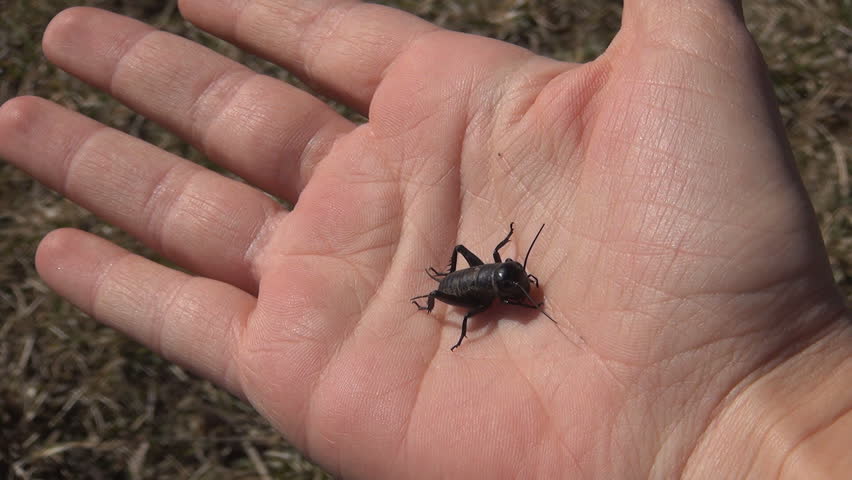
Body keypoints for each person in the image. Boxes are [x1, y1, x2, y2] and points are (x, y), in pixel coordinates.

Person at [1, 1, 848, 478]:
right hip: (450, 295)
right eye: (512, 273)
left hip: (453, 298)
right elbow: (482, 276)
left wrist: (747, 388)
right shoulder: (494, 296)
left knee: (458, 285)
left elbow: (487, 277)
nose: (516, 277)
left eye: (512, 277)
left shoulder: (503, 297)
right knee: (458, 285)